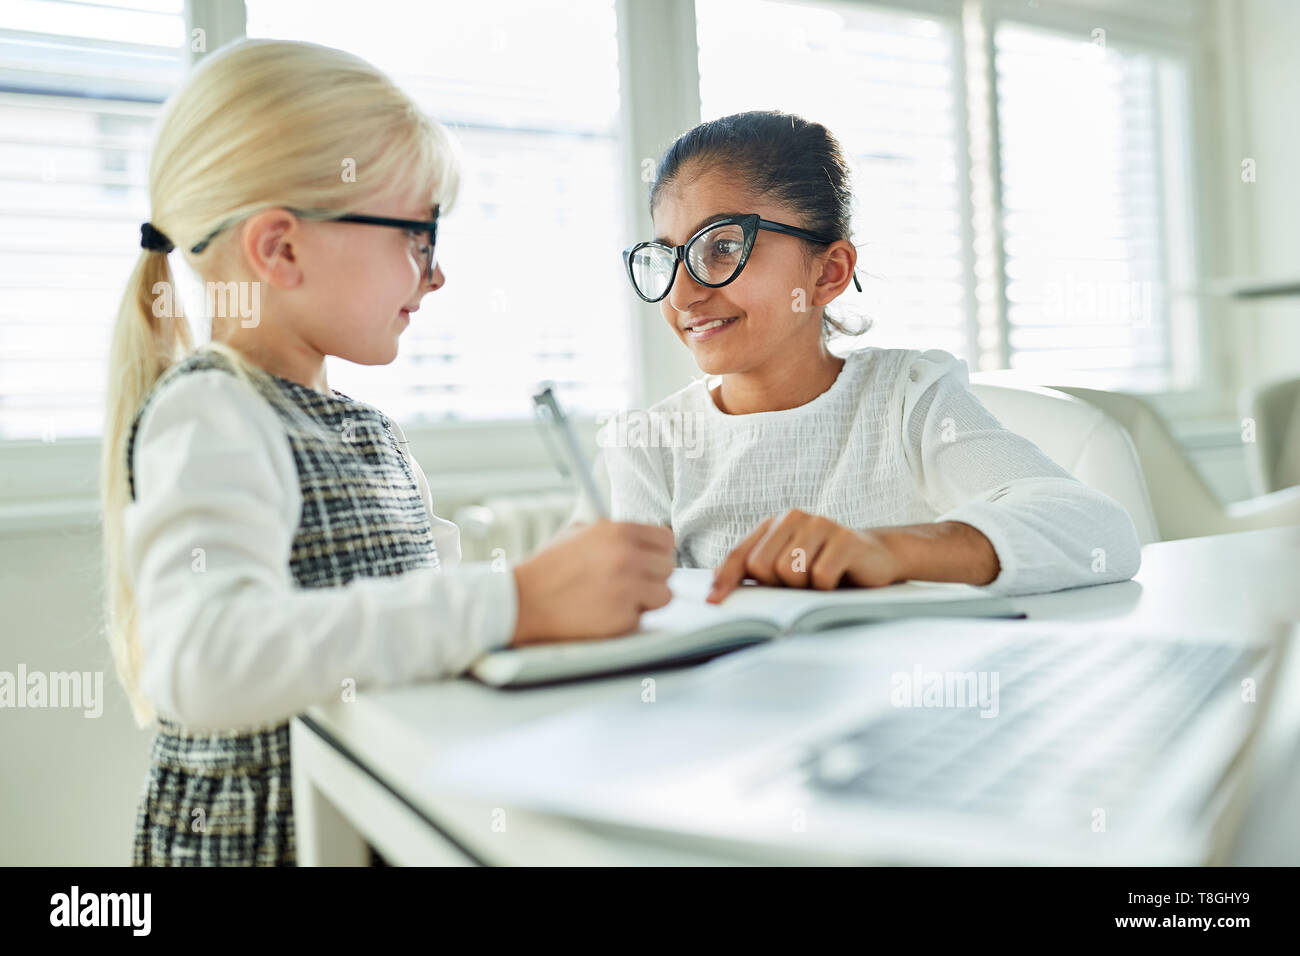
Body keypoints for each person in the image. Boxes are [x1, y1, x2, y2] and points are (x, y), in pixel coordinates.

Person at [101, 38, 674, 866]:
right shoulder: (212, 411)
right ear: (282, 249)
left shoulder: (367, 429)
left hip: (367, 810)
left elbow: (416, 622)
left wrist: (556, 600)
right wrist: (514, 601)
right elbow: (204, 659)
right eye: (417, 235)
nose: (434, 275)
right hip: (272, 839)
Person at [604, 110, 1141, 604]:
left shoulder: (908, 399)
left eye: (721, 247)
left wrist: (887, 550)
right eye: (667, 258)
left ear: (828, 272)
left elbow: (1101, 531)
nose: (681, 295)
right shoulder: (652, 447)